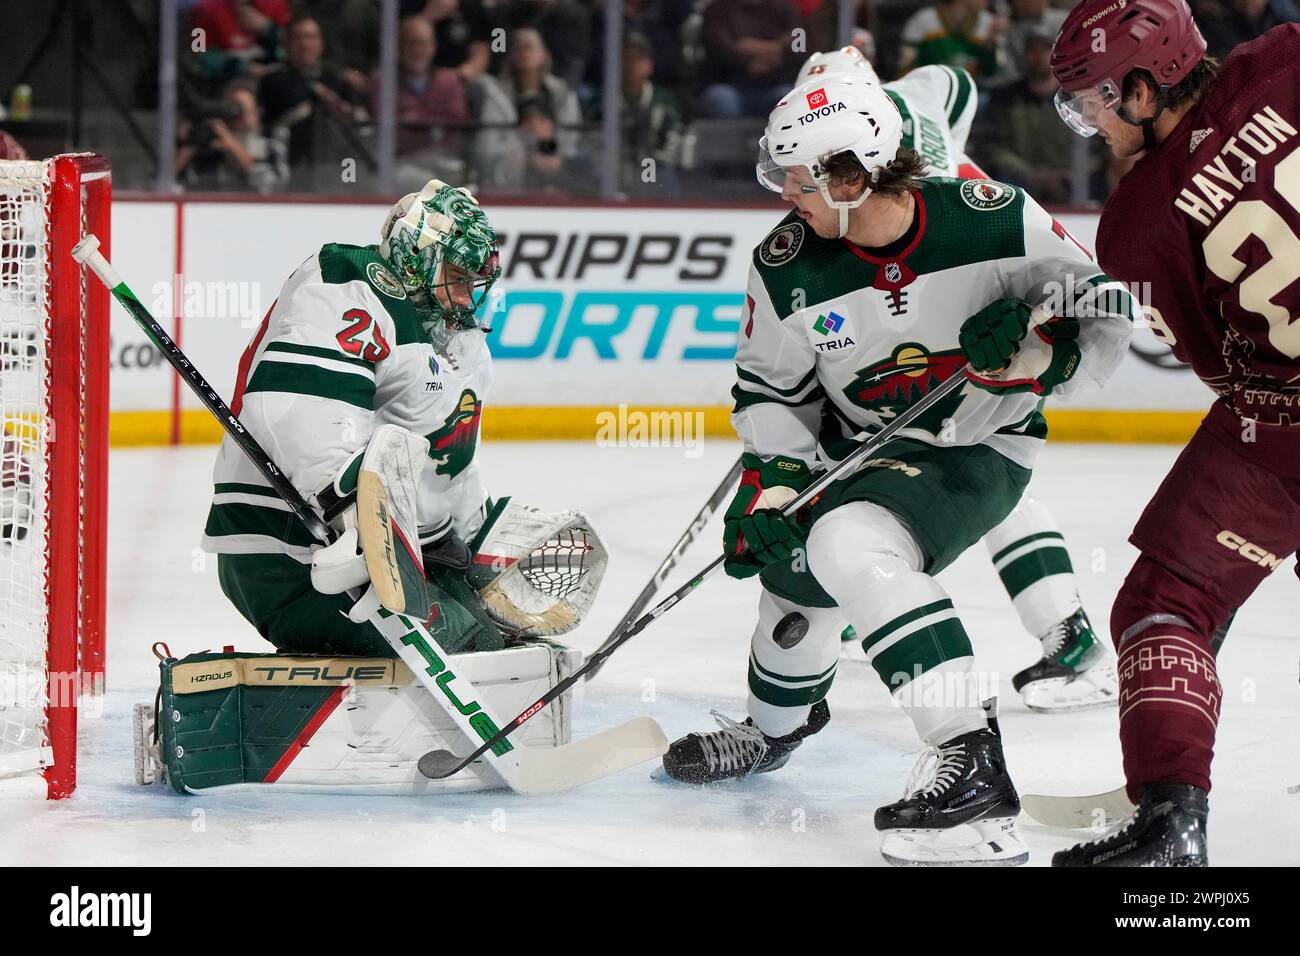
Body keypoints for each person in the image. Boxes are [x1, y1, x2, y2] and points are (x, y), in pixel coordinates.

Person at [660, 74, 1140, 865]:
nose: (785, 192)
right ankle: (774, 731)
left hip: (976, 447)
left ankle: (971, 760)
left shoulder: (994, 220)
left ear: (853, 175)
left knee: (849, 542)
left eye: (800, 177)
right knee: (793, 582)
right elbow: (769, 388)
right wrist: (774, 485)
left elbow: (1110, 312)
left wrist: (1034, 356)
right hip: (858, 454)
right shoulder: (785, 262)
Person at [1049, 0, 1300, 867]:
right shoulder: (1286, 59)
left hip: (1283, 423)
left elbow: (1218, 365)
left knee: (1167, 606)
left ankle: (1172, 826)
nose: (1087, 124)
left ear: (1149, 86)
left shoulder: (1135, 222)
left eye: (1094, 100)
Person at [794, 45, 1119, 712]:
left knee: (970, 450)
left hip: (972, 298)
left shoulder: (876, 161)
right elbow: (959, 84)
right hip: (947, 283)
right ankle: (1061, 629)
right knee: (957, 457)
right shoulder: (912, 97)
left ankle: (1062, 632)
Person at [201, 180, 506, 657]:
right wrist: (354, 515)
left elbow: (454, 465)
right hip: (287, 552)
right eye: (457, 277)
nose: (467, 299)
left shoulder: (460, 346)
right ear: (418, 255)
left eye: (473, 283)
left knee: (494, 628)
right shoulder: (353, 285)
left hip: (393, 555)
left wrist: (477, 550)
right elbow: (293, 416)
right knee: (468, 643)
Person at [898, 0, 1006, 79]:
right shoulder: (924, 21)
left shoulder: (991, 25)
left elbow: (994, 76)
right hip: (927, 96)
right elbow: (904, 70)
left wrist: (990, 44)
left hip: (970, 98)